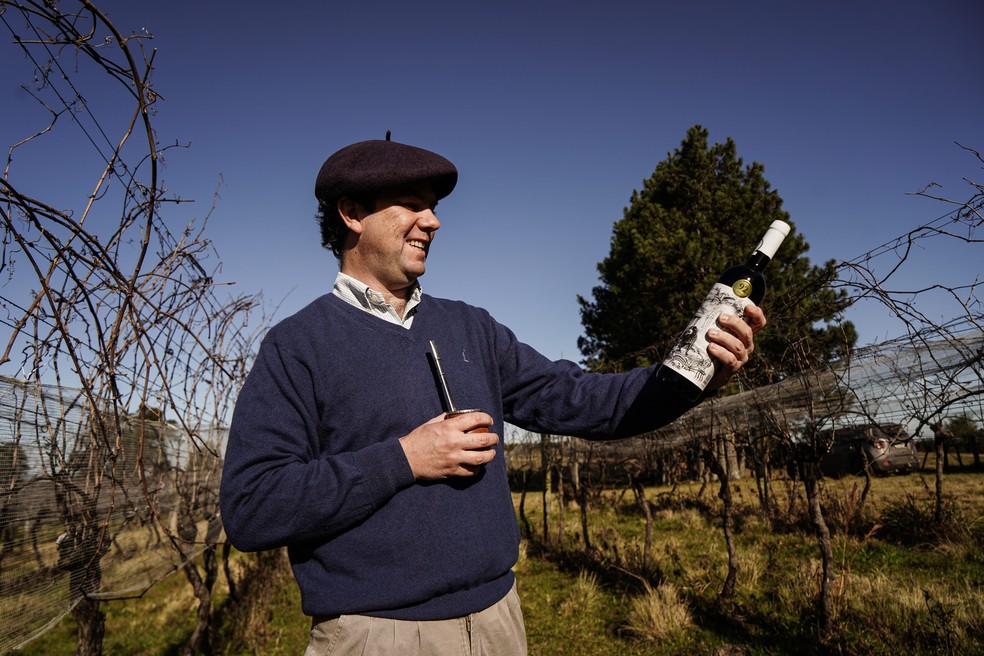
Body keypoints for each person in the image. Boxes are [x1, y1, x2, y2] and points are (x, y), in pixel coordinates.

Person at [219, 137, 766, 656]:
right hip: (375, 636)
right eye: (411, 204)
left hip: (498, 623)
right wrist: (405, 459)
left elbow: (584, 400)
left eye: (433, 207)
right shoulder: (298, 345)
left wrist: (696, 378)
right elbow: (252, 507)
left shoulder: (471, 328)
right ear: (351, 213)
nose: (432, 221)